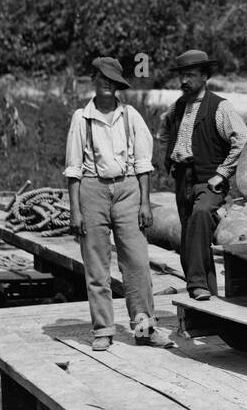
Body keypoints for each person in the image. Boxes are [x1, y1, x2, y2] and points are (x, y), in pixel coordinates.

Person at [64, 57, 174, 352]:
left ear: (118, 85)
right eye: (102, 79)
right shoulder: (81, 118)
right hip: (91, 190)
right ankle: (103, 329)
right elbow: (73, 169)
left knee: (137, 263)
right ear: (94, 80)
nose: (107, 86)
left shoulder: (130, 116)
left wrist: (145, 204)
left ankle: (144, 329)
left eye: (113, 81)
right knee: (97, 266)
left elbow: (143, 164)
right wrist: (75, 210)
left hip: (127, 190)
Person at [156, 49, 247, 302]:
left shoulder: (220, 107)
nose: (184, 81)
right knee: (191, 237)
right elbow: (163, 133)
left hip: (209, 180)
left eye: (191, 75)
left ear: (204, 76)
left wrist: (222, 173)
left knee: (200, 217)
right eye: (182, 76)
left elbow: (243, 139)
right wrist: (169, 159)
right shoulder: (177, 107)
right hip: (182, 177)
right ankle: (207, 294)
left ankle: (196, 284)